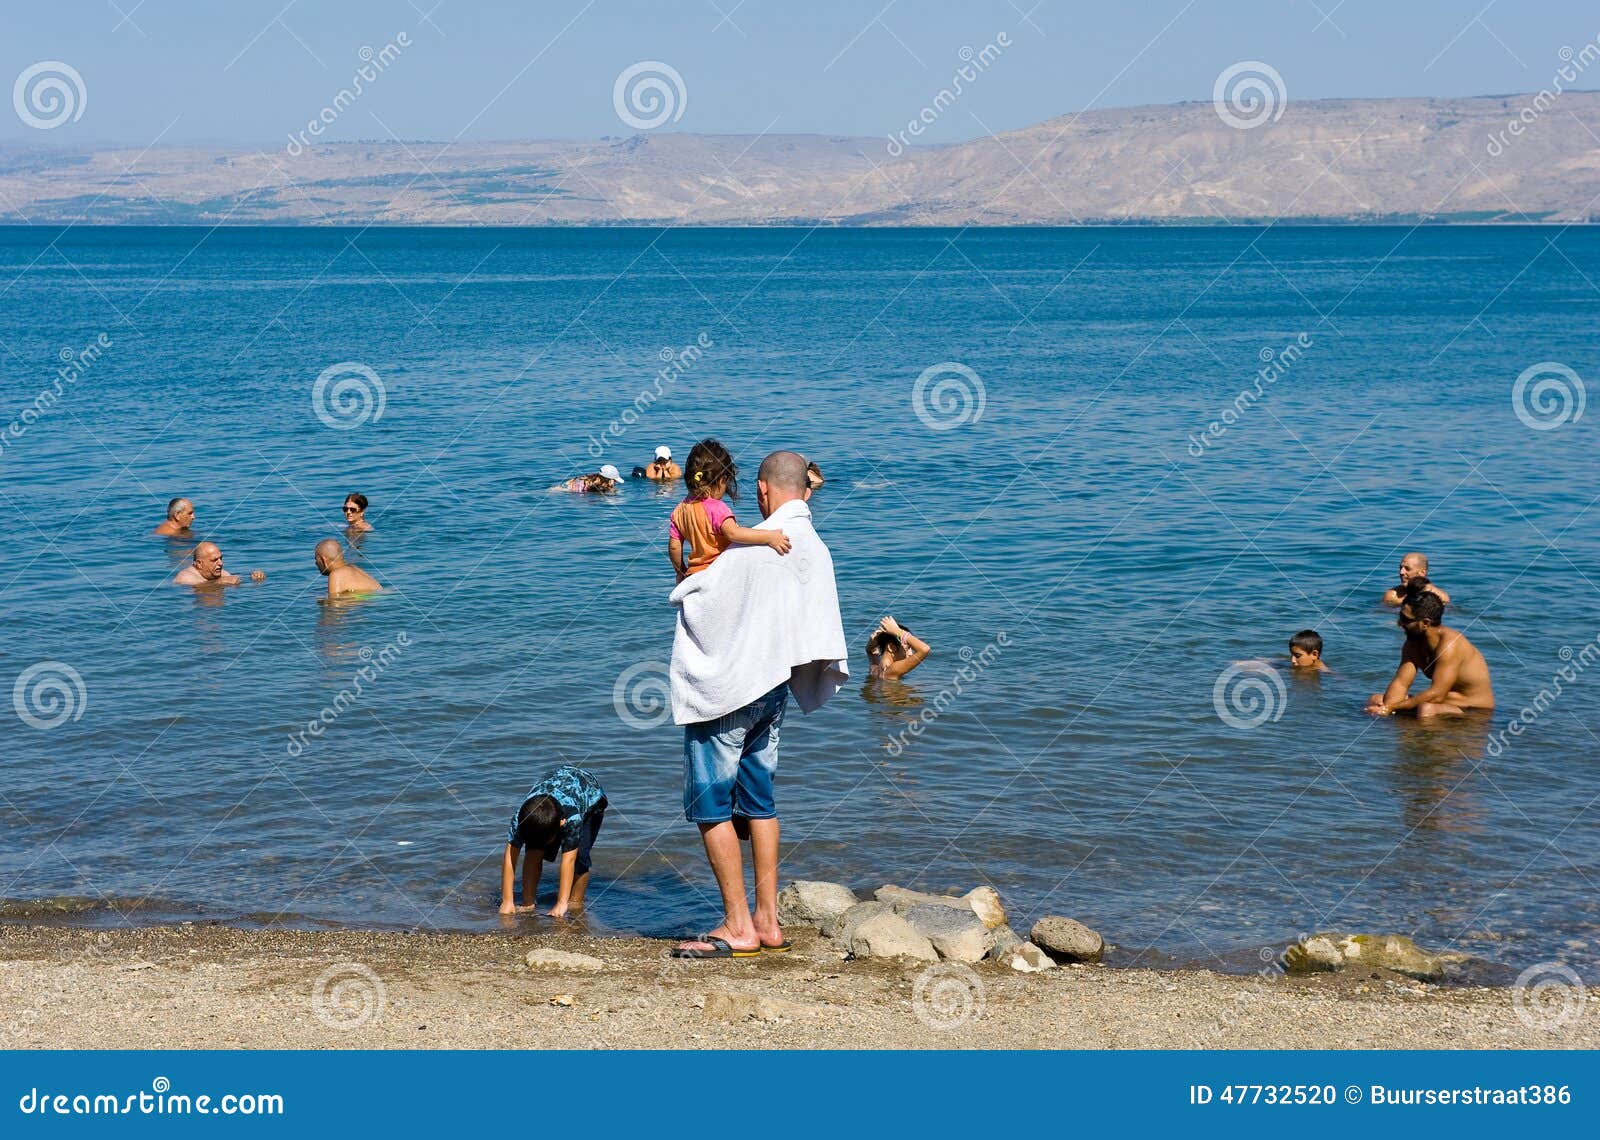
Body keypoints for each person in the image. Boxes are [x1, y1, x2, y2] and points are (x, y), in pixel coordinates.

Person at [667, 450, 848, 959]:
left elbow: (696, 599)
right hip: (775, 688)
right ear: (803, 489)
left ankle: (738, 925)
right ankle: (768, 921)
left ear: (765, 491)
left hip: (730, 691)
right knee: (761, 803)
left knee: (711, 808)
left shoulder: (750, 550)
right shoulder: (814, 545)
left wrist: (686, 580)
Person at [667, 439, 790, 581]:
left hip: (694, 574)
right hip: (720, 574)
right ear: (722, 480)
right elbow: (733, 533)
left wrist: (680, 571)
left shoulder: (679, 510)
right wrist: (770, 537)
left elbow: (674, 547)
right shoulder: (717, 508)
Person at [498, 765, 608, 918]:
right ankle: (528, 902)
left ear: (561, 824)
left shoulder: (572, 820)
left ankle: (575, 904)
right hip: (550, 792)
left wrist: (561, 902)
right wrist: (507, 900)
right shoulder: (520, 819)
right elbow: (510, 857)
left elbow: (568, 860)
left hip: (591, 796)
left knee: (580, 857)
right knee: (534, 849)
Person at [1366, 587, 1493, 717]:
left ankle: (1424, 735)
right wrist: (1387, 708)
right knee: (1376, 700)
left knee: (1427, 709)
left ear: (1425, 623)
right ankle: (1392, 735)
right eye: (1400, 617)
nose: (1399, 623)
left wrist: (1392, 707)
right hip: (1442, 705)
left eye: (1405, 619)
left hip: (1475, 711)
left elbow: (1437, 695)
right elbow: (1401, 683)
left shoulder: (1450, 646)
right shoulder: (1413, 644)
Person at [866, 615, 931, 679]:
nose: (910, 653)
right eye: (908, 648)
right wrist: (898, 631)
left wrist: (873, 640)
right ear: (891, 648)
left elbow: (869, 651)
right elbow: (924, 649)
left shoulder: (875, 668)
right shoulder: (892, 671)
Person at [174, 541, 264, 586]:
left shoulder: (219, 572)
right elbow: (199, 588)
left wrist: (253, 577)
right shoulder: (185, 577)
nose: (220, 563)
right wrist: (220, 581)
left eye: (221, 558)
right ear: (199, 563)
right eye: (214, 560)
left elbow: (234, 579)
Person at [314, 538, 381, 597]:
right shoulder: (354, 568)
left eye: (316, 560)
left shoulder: (336, 574)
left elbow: (335, 607)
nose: (316, 563)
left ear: (324, 560)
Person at [1382, 552, 1450, 607]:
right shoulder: (1392, 595)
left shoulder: (1441, 597)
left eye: (1407, 569)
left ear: (1422, 573)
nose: (1401, 572)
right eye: (1400, 568)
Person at [556, 464, 621, 493]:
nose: (615, 483)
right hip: (573, 492)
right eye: (614, 480)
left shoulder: (591, 478)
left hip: (568, 486)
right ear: (609, 479)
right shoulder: (602, 487)